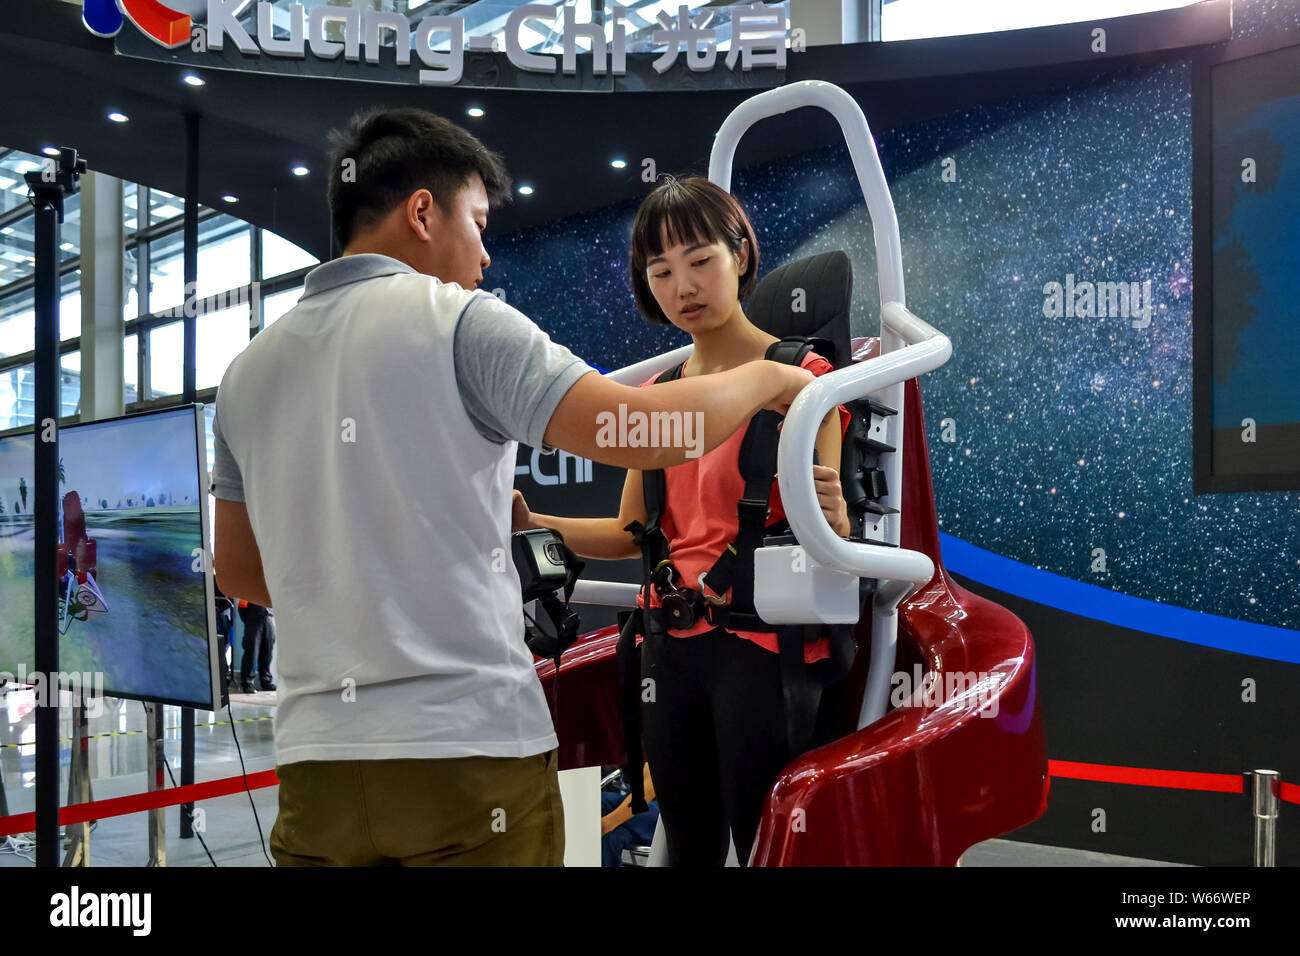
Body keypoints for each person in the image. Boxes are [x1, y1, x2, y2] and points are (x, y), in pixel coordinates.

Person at [208, 110, 817, 867]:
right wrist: (767, 380)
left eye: (699, 262)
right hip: (467, 753)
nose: (486, 256)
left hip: (315, 770)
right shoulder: (459, 322)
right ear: (424, 213)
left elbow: (239, 572)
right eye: (479, 221)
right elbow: (640, 432)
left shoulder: (244, 373)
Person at [513, 175, 852, 867]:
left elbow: (830, 533)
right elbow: (628, 534)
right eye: (661, 270)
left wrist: (837, 523)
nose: (683, 285)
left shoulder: (805, 378)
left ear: (741, 257)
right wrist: (525, 519)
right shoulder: (656, 399)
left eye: (700, 260)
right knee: (685, 847)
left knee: (768, 848)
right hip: (665, 647)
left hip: (760, 650)